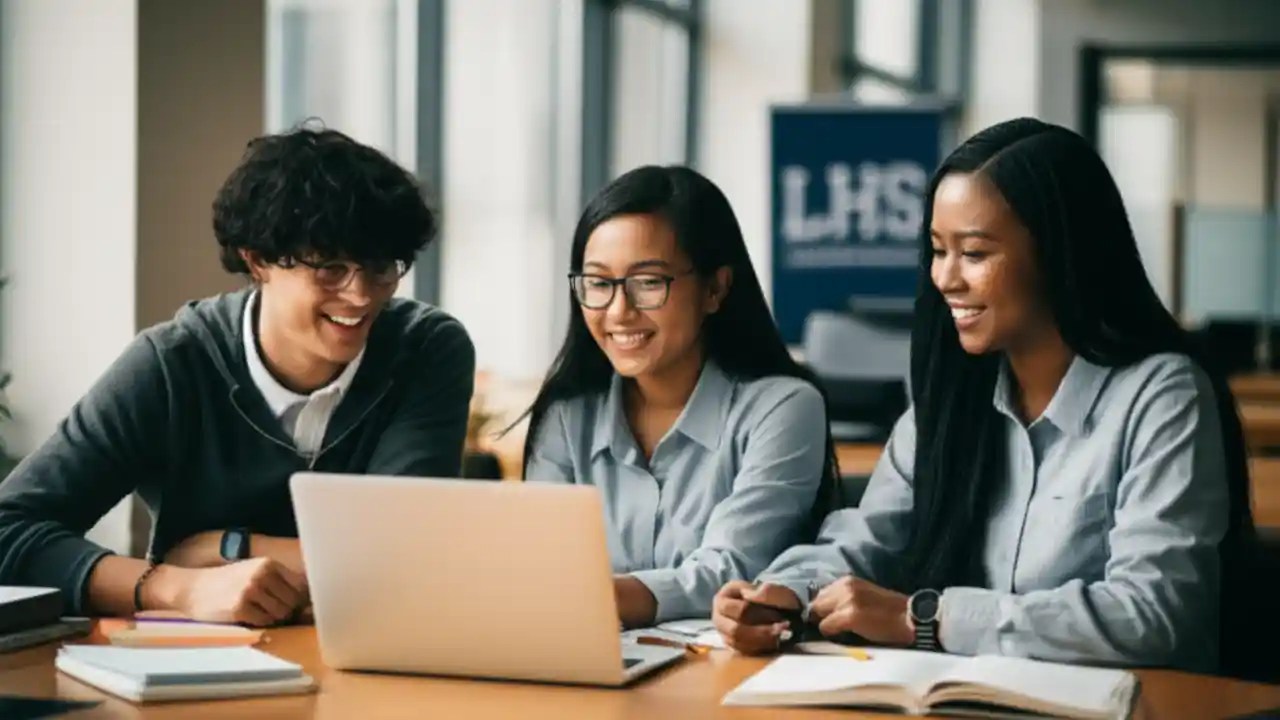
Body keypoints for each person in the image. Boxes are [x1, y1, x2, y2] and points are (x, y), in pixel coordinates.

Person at [712, 118, 1259, 676]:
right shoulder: (952, 401)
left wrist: (924, 617)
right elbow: (868, 538)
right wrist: (784, 592)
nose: (945, 278)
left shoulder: (1162, 395)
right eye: (936, 250)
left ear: (1060, 254)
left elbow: (1153, 615)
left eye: (973, 253)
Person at [0, 126, 475, 626]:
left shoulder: (425, 350)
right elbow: (9, 531)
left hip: (365, 672)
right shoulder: (171, 366)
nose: (361, 296)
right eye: (331, 268)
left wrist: (225, 546)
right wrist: (174, 587)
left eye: (381, 268)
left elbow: (404, 560)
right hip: (191, 673)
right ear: (258, 259)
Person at [522, 165, 839, 628]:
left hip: (729, 677)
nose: (618, 311)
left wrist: (596, 598)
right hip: (589, 664)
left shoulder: (783, 407)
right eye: (599, 283)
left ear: (715, 288)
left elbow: (731, 571)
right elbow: (540, 570)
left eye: (648, 282)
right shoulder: (568, 416)